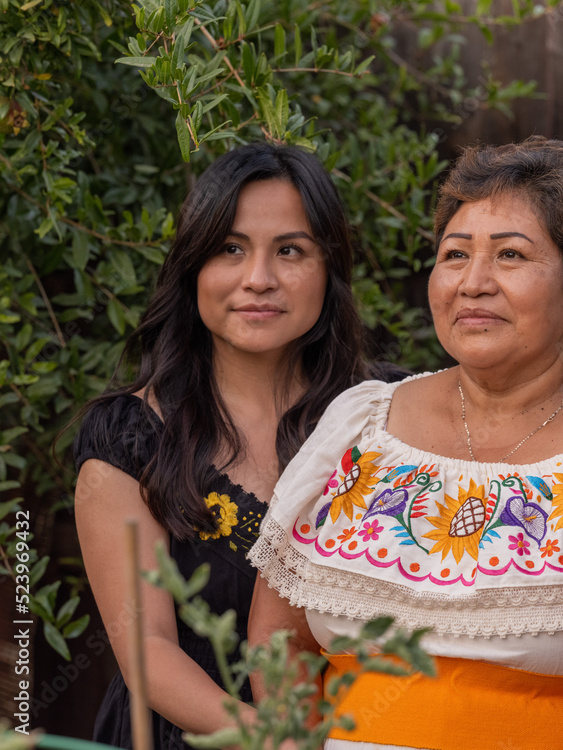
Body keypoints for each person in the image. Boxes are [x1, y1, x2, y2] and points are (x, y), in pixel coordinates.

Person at [247, 136, 563, 750]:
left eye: (511, 256)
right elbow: (280, 643)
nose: (474, 283)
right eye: (455, 254)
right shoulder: (358, 429)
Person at [74, 142, 388, 748]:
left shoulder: (385, 417)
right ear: (194, 266)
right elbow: (148, 649)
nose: (258, 279)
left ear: (330, 268)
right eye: (230, 249)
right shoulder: (129, 438)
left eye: (290, 250)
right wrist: (281, 736)